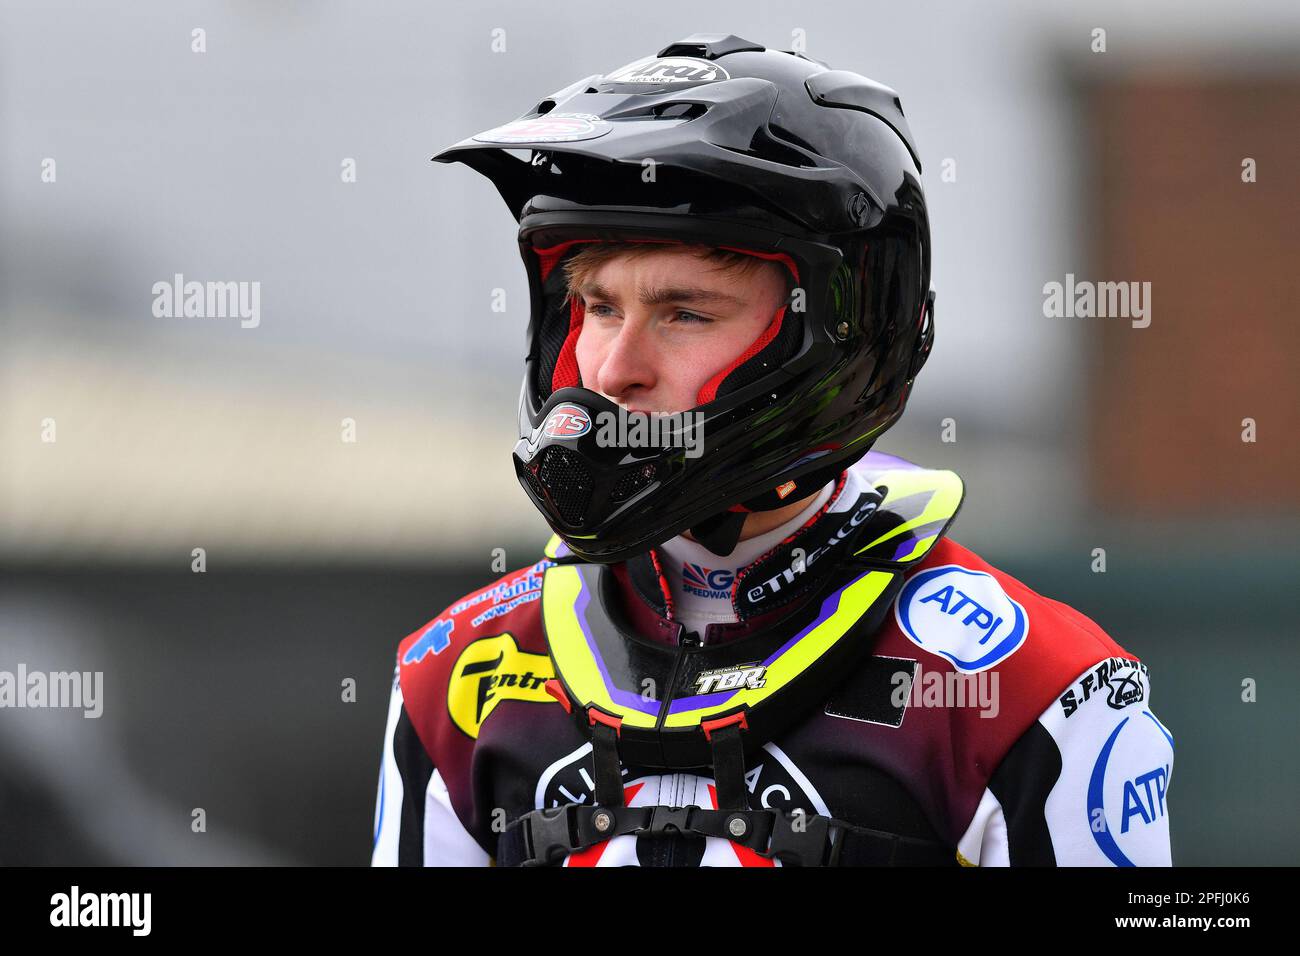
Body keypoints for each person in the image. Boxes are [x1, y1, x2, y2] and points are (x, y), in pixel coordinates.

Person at [370, 34, 1174, 867]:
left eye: (685, 313)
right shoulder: (459, 676)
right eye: (600, 308)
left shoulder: (1029, 691)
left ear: (839, 334)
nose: (613, 370)